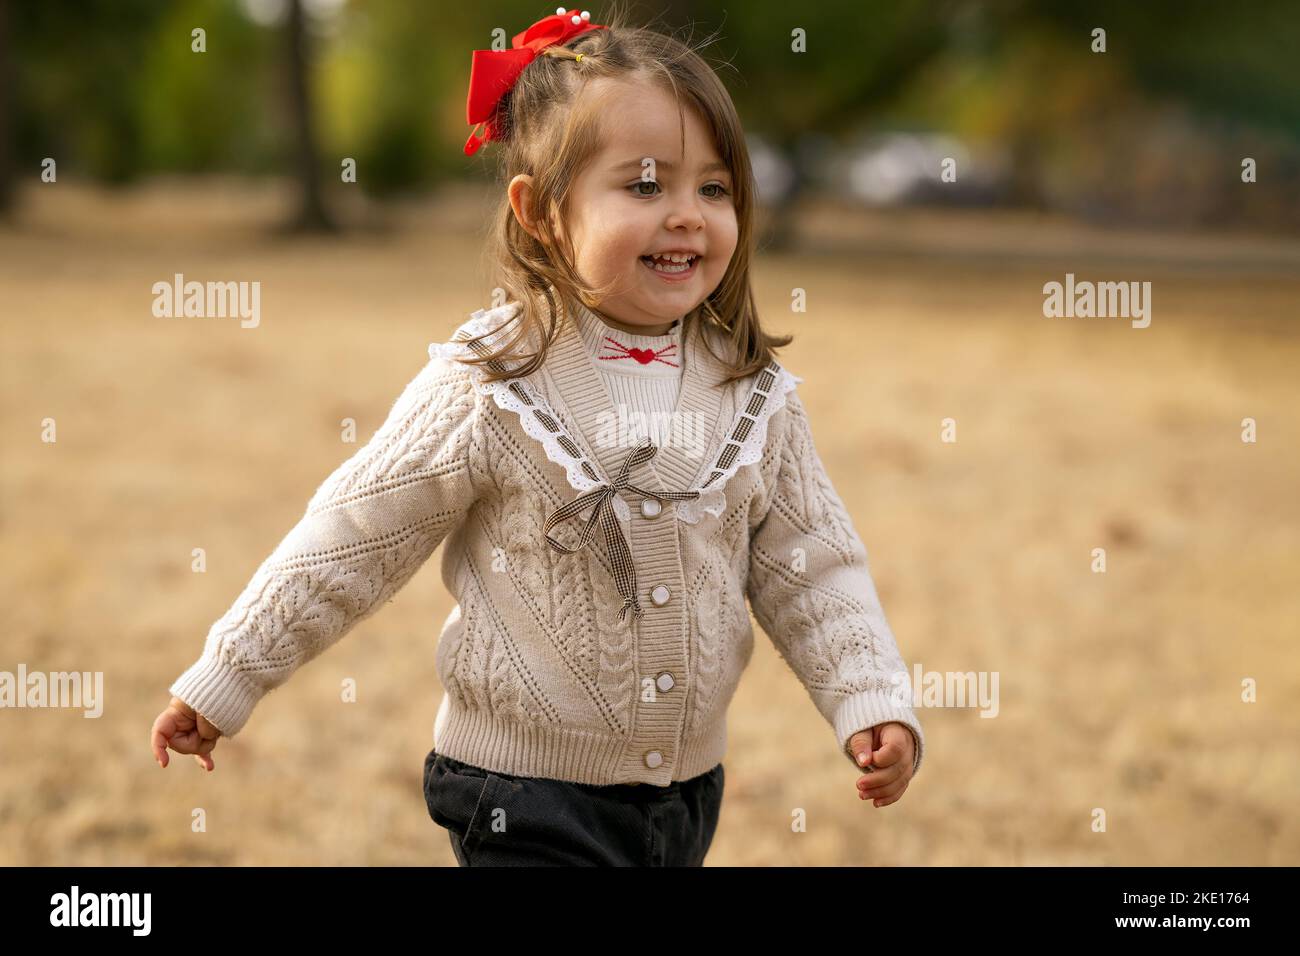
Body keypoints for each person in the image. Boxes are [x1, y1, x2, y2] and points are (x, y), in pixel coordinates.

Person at [150, 5, 926, 867]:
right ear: (541, 211)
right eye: (643, 185)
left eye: (714, 187)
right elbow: (354, 536)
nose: (686, 215)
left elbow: (813, 566)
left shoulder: (751, 391)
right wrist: (232, 673)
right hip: (518, 792)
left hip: (684, 796)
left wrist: (869, 697)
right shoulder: (495, 380)